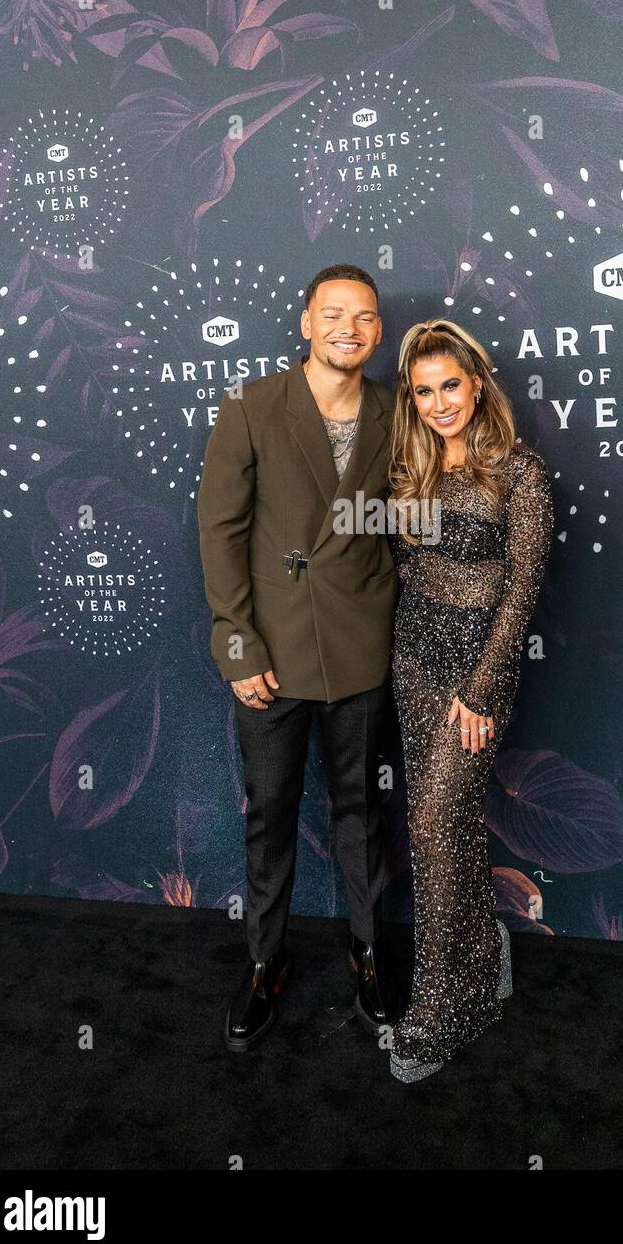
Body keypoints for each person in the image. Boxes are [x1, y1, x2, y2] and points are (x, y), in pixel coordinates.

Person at [197, 264, 402, 1051]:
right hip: (271, 651)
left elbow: (409, 511)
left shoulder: (393, 410)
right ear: (308, 322)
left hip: (360, 643)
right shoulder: (251, 405)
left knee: (360, 811)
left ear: (379, 332)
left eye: (365, 317)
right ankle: (264, 963)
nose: (349, 327)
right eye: (334, 313)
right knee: (271, 812)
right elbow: (221, 533)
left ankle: (367, 951)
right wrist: (238, 644)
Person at [385, 318, 554, 1082]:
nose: (439, 403)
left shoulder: (520, 471)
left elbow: (522, 589)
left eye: (450, 385)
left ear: (477, 385)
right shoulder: (408, 469)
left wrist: (484, 687)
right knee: (440, 831)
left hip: (477, 670)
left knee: (431, 820)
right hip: (412, 662)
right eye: (424, 391)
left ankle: (443, 1004)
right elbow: (396, 568)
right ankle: (481, 966)